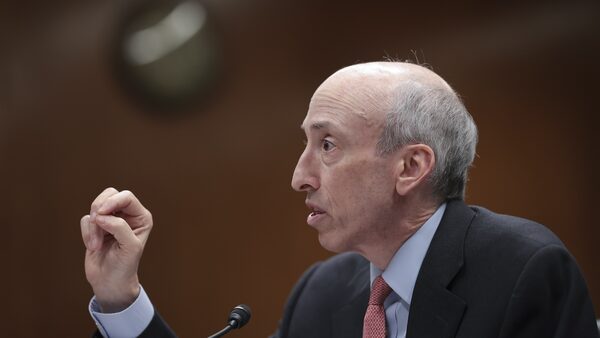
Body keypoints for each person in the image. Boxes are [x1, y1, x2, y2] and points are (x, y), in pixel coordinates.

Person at [80, 62, 599, 338]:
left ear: (410, 167)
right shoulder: (323, 294)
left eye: (327, 145)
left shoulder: (523, 272)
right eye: (305, 143)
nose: (299, 177)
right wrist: (120, 298)